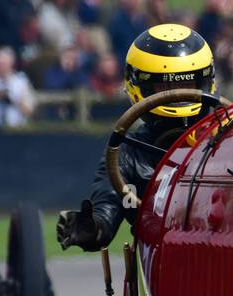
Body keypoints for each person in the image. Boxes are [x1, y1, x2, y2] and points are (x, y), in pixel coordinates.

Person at [57, 24, 216, 251]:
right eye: (164, 86)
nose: (178, 94)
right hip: (166, 262)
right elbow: (107, 209)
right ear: (141, 87)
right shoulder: (128, 153)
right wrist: (94, 227)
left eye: (186, 84)